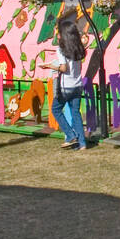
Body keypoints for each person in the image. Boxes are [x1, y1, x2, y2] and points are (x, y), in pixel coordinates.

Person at [50, 17, 89, 150]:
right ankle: (82, 143)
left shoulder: (61, 49)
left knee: (55, 109)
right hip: (77, 85)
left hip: (66, 87)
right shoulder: (79, 48)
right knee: (76, 113)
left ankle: (70, 134)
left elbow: (64, 68)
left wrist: (50, 66)